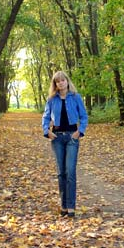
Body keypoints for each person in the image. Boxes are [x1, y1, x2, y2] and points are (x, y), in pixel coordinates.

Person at [42, 71, 88, 218]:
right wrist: (46, 131)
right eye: (58, 81)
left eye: (63, 80)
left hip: (72, 138)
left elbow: (84, 116)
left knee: (70, 171)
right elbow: (46, 116)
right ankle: (63, 205)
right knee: (61, 172)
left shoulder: (75, 97)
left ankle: (71, 206)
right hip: (57, 138)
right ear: (55, 84)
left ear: (67, 82)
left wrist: (80, 131)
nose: (61, 83)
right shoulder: (51, 99)